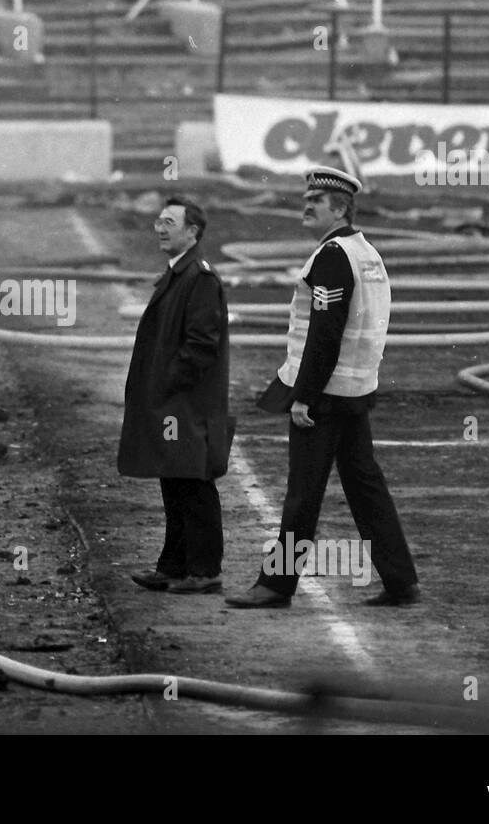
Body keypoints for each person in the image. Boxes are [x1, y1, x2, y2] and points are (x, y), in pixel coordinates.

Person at [225, 166, 420, 609]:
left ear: (340, 208)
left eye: (317, 200)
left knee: (302, 494)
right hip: (354, 390)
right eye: (306, 198)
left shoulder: (332, 255)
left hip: (326, 395)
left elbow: (325, 334)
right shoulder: (365, 251)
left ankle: (275, 586)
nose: (306, 205)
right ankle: (400, 579)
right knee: (365, 486)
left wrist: (305, 397)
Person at [118, 197, 232, 595]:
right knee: (175, 480)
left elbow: (201, 344)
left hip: (186, 402)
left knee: (194, 482)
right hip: (173, 401)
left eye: (169, 222)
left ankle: (204, 571)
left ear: (192, 232)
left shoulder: (198, 278)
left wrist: (167, 382)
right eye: (159, 221)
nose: (160, 228)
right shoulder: (178, 273)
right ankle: (174, 566)